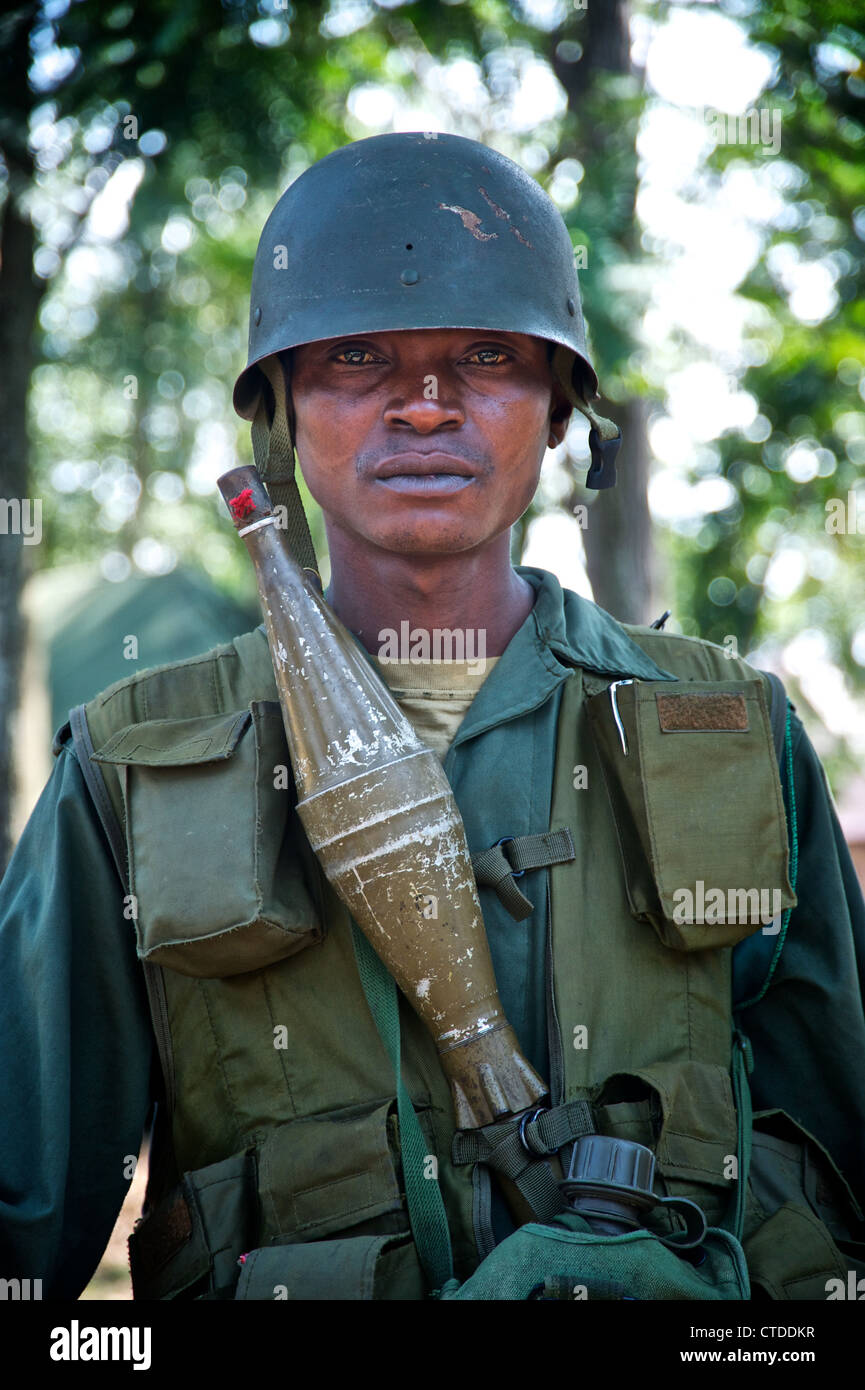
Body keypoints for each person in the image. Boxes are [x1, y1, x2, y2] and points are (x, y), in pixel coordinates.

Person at [1, 132, 864, 1302]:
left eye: (486, 355)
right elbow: (27, 1217)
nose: (423, 406)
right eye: (357, 356)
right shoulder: (132, 766)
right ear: (285, 411)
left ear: (560, 410)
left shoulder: (726, 728)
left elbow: (842, 1167)